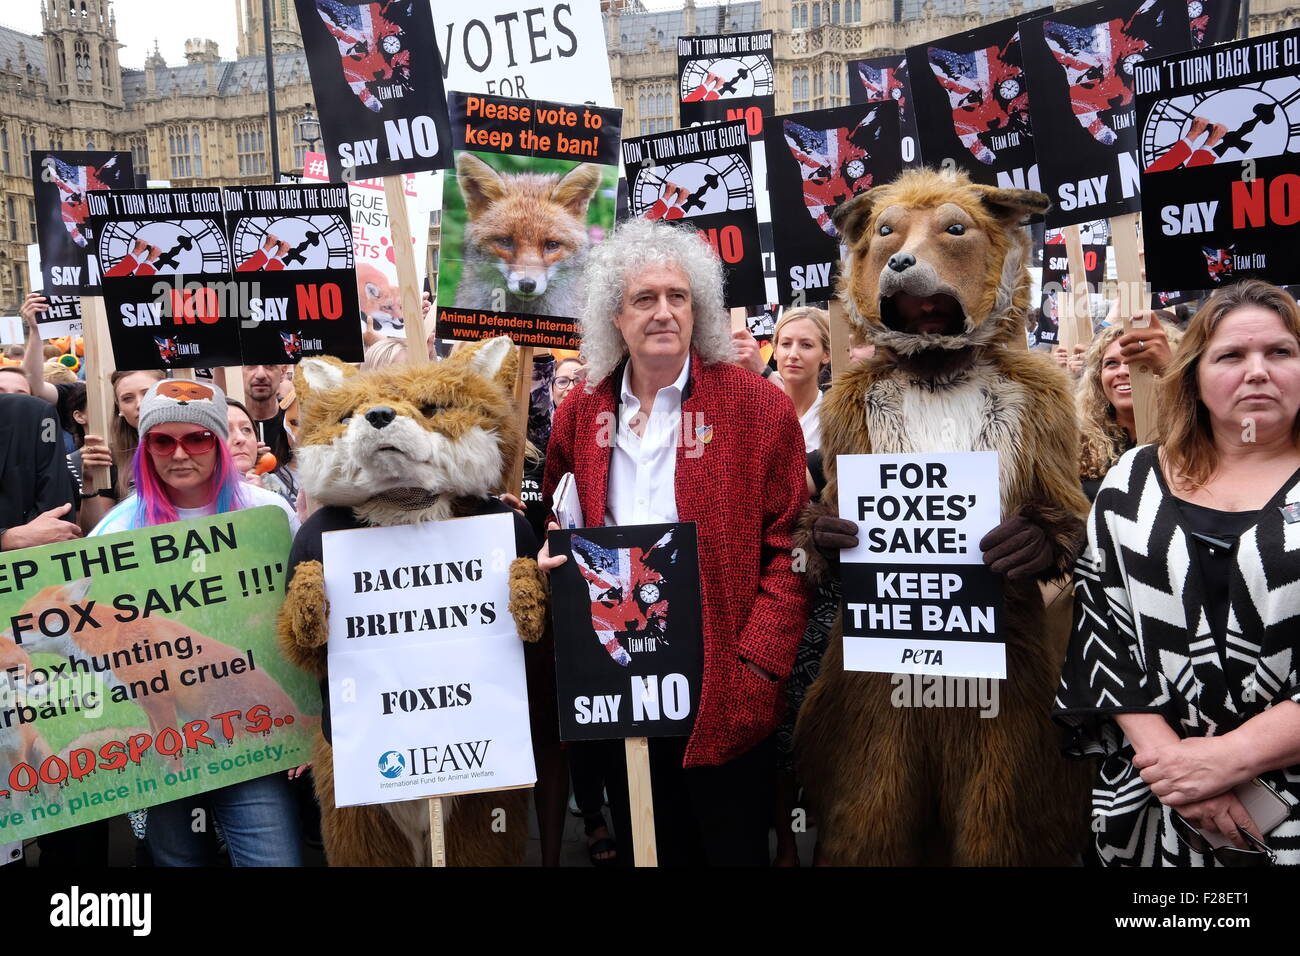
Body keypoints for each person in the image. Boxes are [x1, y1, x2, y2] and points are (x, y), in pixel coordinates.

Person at [540, 217, 810, 866]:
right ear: (614, 315)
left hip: (725, 688)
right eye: (645, 298)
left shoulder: (758, 408)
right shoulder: (582, 411)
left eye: (678, 296)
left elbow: (791, 549)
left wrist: (756, 666)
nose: (664, 312)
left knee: (731, 850)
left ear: (701, 308)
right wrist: (554, 560)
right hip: (623, 686)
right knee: (649, 851)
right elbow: (557, 510)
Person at [1056, 279, 1300, 866]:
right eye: (1231, 356)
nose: (1257, 371)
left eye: (1280, 352)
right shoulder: (1131, 482)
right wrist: (1172, 762)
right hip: (1158, 798)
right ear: (1193, 374)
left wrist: (1232, 757)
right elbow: (1100, 630)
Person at [89, 379, 303, 866]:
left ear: (219, 445)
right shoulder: (118, 530)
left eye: (197, 439)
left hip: (254, 734)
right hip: (167, 743)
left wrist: (303, 714)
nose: (179, 454)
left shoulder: (268, 513)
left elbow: (301, 618)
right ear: (145, 449)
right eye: (163, 441)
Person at [1077, 317, 1178, 500]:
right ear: (1098, 378)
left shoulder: (1190, 435)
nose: (1122, 371)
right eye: (1111, 363)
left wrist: (1173, 374)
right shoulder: (1078, 442)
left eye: (1139, 363)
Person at [773, 306, 831, 454]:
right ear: (775, 351)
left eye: (806, 345)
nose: (793, 354)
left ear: (826, 354)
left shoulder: (837, 419)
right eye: (786, 344)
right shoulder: (757, 415)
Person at [226, 398, 295, 503]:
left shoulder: (275, 494)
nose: (241, 438)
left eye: (246, 429)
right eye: (225, 430)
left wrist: (264, 499)